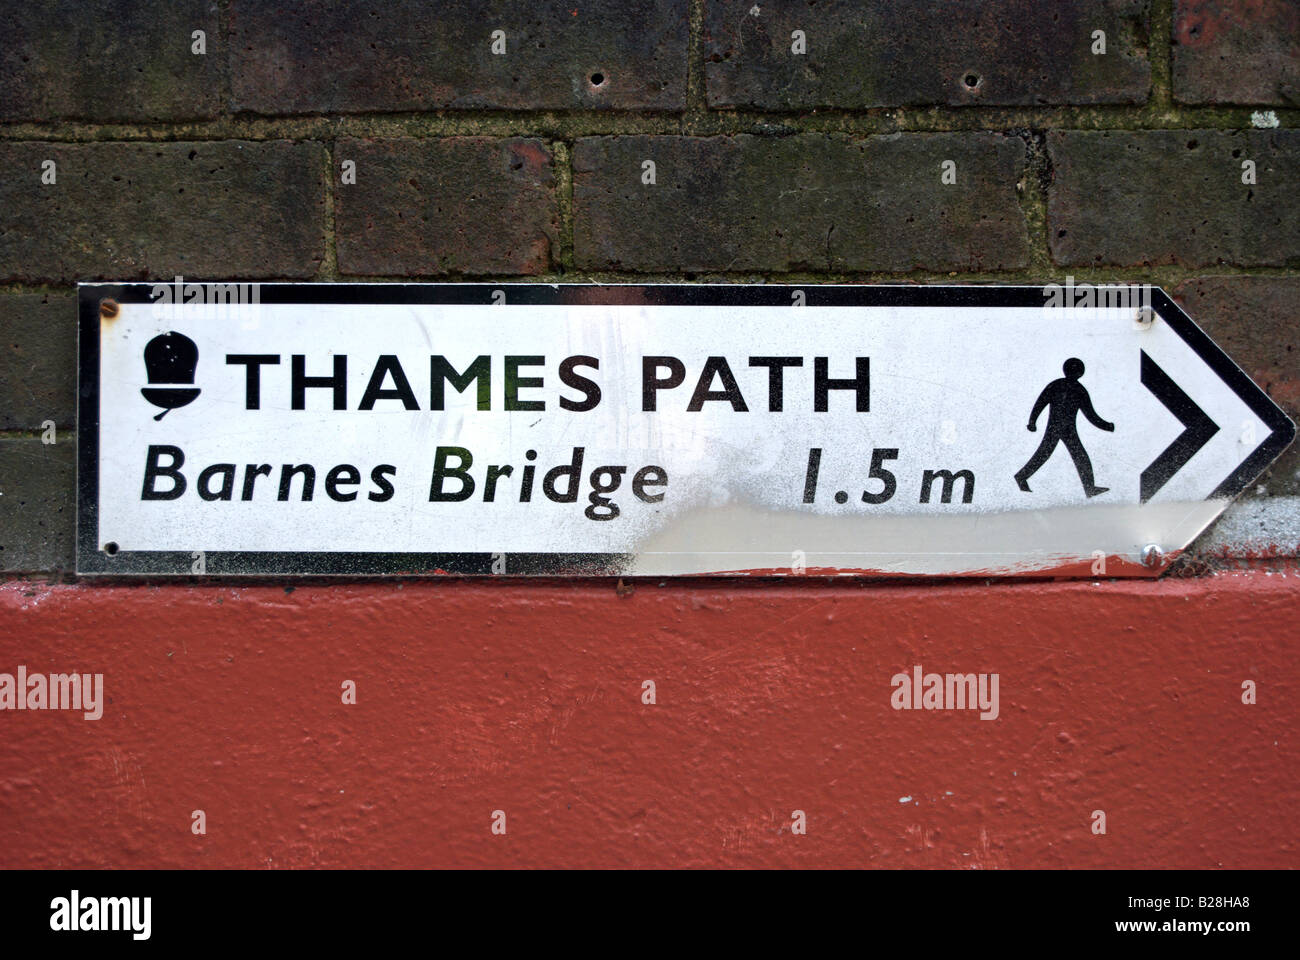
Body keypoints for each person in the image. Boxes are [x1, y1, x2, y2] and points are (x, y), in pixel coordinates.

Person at [1014, 358, 1114, 497]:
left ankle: (1089, 488)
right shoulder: (1071, 388)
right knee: (1050, 454)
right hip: (1058, 428)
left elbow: (1090, 414)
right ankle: (1021, 477)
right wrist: (1108, 426)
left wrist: (1107, 426)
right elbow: (1041, 403)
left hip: (1065, 429)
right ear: (1080, 372)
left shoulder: (1069, 388)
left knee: (1074, 456)